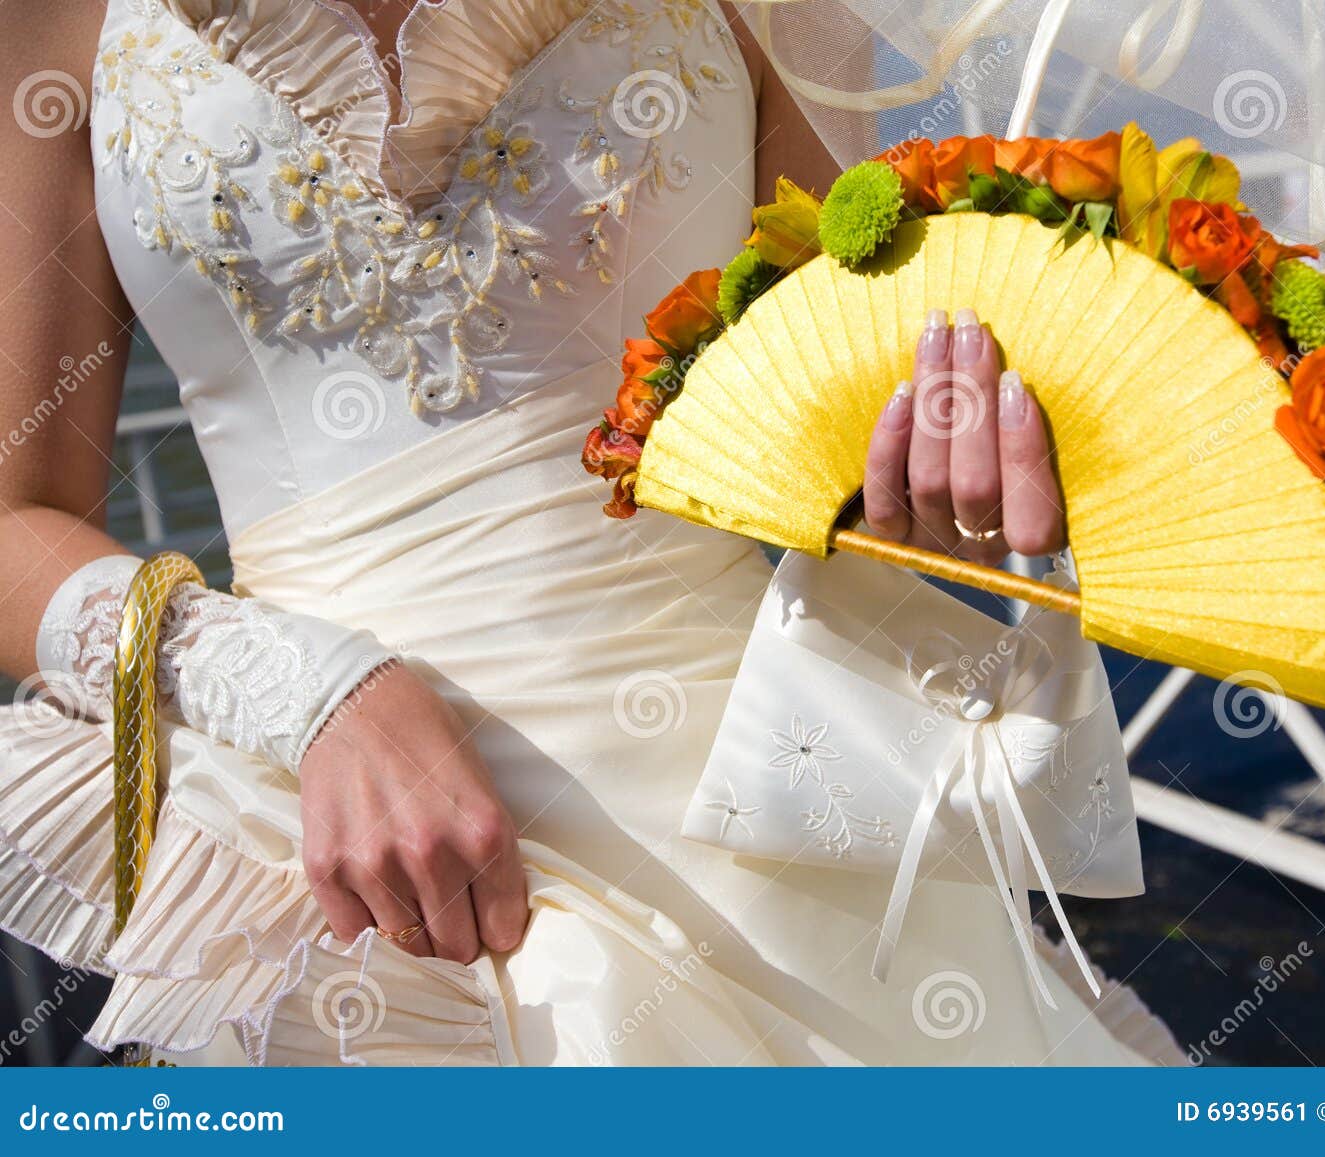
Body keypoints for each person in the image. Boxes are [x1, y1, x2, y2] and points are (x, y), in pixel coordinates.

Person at [0, 0, 1178, 1065]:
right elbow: (15, 520)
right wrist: (303, 692)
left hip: (755, 835)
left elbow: (834, 416)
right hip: (350, 870)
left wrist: (952, 467)